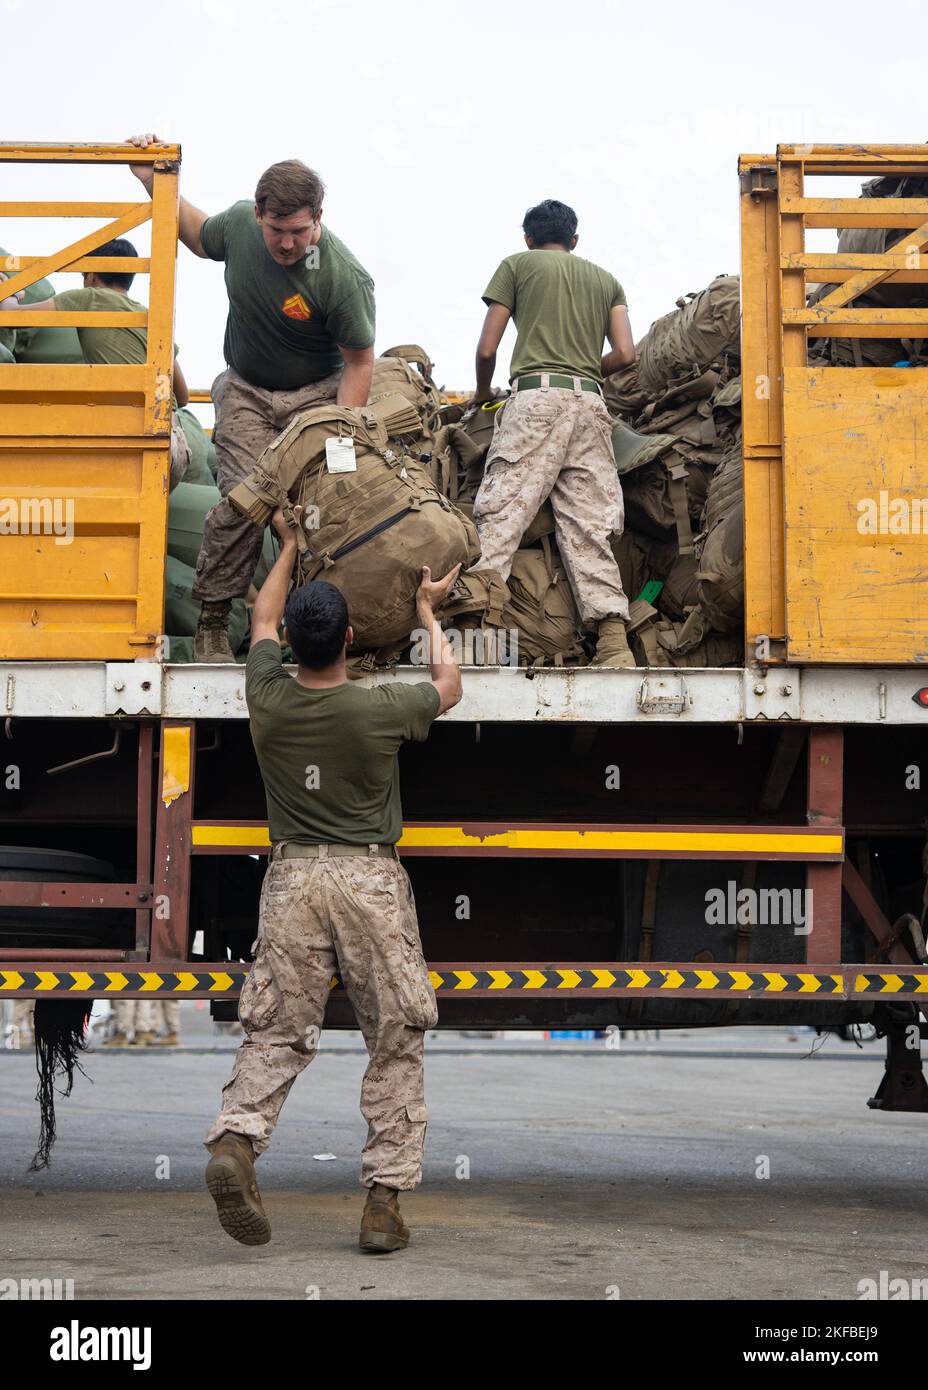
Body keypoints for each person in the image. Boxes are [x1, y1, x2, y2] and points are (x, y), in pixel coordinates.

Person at [202, 508, 462, 1253]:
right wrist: (426, 613)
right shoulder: (380, 707)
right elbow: (448, 685)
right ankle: (383, 1204)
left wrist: (285, 545)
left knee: (277, 1030)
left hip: (290, 881)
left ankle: (238, 1144)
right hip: (367, 880)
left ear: (290, 640)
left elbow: (257, 615)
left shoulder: (269, 698)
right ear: (349, 639)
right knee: (395, 1036)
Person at [127, 135, 377, 663]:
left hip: (317, 397)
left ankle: (314, 631)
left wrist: (340, 437)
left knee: (319, 513)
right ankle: (214, 623)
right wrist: (149, 176)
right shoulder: (239, 227)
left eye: (299, 232)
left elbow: (359, 362)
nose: (287, 245)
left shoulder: (342, 278)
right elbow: (194, 233)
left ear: (319, 219)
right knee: (242, 503)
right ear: (258, 213)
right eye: (276, 231)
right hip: (245, 390)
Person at [471, 198, 638, 666]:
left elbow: (487, 348)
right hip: (589, 403)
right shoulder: (606, 279)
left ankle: (477, 632)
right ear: (575, 240)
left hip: (536, 400)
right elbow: (626, 353)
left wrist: (484, 393)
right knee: (590, 522)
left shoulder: (516, 264)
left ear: (528, 238)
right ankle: (612, 642)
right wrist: (586, 369)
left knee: (502, 512)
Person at [0, 238, 191, 486]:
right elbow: (183, 397)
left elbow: (11, 316)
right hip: (173, 446)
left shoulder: (89, 298)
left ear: (91, 275)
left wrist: (12, 291)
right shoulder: (150, 317)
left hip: (132, 435)